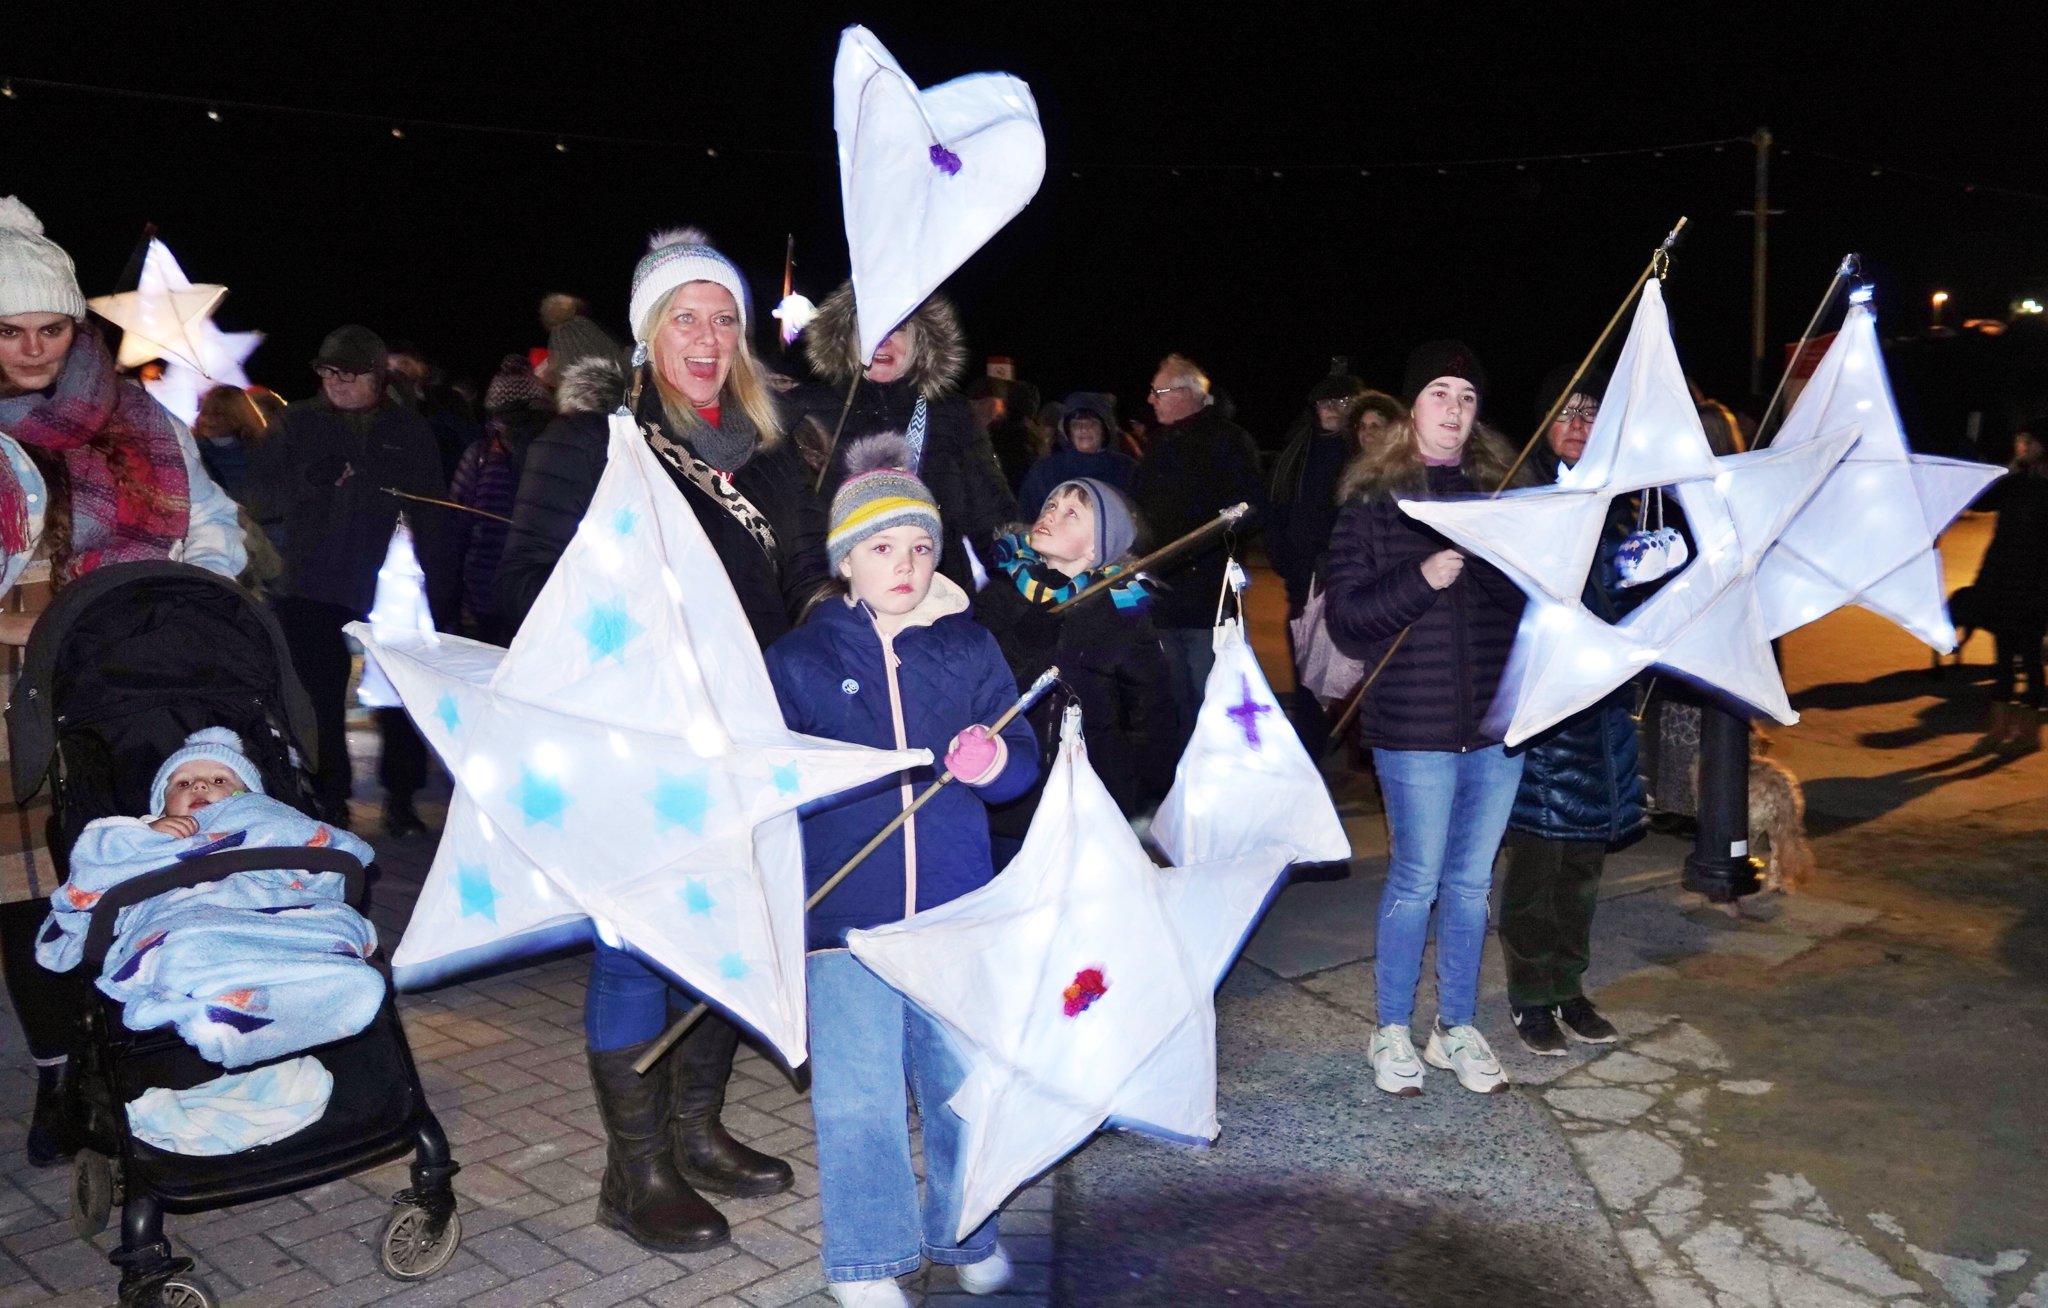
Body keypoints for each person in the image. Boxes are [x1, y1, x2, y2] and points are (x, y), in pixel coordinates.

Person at [497, 227, 819, 1253]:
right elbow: (519, 593)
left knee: (725, 931)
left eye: (723, 317)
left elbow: (800, 572)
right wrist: (641, 627)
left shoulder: (771, 451)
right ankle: (633, 1175)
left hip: (748, 732)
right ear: (645, 334)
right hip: (636, 735)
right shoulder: (589, 444)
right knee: (638, 946)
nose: (707, 335)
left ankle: (694, 1132)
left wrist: (839, 616)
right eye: (686, 315)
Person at [0, 195, 249, 1166]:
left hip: (115, 682)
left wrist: (194, 592)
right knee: (27, 899)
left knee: (124, 879)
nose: (32, 348)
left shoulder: (133, 418)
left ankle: (134, 1052)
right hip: (7, 691)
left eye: (50, 327)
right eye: (11, 330)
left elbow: (211, 528)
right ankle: (60, 1072)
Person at [764, 445, 1037, 1307]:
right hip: (845, 923)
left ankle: (963, 1233)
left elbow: (1020, 754)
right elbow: (768, 782)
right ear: (847, 560)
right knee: (859, 1101)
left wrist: (995, 758)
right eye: (883, 548)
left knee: (961, 1087)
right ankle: (869, 1260)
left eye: (920, 547)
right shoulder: (802, 658)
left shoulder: (969, 646)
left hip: (953, 915)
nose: (905, 565)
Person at [1324, 341, 1531, 1097]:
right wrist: (1421, 575)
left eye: (1467, 397)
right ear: (1412, 408)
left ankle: (1456, 1029)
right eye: (1439, 392)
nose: (1453, 407)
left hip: (1495, 726)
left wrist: (1497, 558)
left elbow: (1529, 609)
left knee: (1472, 884)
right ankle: (1390, 1029)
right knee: (1415, 881)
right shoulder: (1374, 504)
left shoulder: (1499, 495)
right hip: (1413, 726)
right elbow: (1348, 621)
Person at [1497, 366, 1641, 1055]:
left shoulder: (1623, 503)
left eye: (1590, 414)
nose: (1578, 427)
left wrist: (1651, 570)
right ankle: (1531, 996)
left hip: (1604, 710)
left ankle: (1568, 989)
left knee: (1582, 868)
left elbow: (1632, 605)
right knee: (1537, 866)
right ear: (1543, 428)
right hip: (1545, 711)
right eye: (1565, 414)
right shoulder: (1525, 503)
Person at [259, 325, 452, 839]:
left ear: (378, 375)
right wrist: (309, 480)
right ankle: (329, 796)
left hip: (388, 582)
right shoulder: (296, 422)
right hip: (310, 581)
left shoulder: (407, 428)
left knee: (397, 696)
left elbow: (433, 508)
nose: (338, 383)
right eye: (328, 372)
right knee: (316, 697)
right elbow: (257, 494)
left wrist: (434, 580)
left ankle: (404, 799)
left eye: (351, 373)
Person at [974, 476, 1173, 866]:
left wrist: (1143, 781)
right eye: (1050, 506)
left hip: (1090, 793)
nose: (1051, 515)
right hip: (1013, 796)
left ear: (1097, 546)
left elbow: (1150, 705)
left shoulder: (1121, 610)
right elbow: (978, 686)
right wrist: (1025, 637)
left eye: (1071, 514)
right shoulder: (999, 595)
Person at [794, 283, 1018, 596]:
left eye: (898, 327)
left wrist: (1026, 579)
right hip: (838, 607)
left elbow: (992, 520)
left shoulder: (952, 416)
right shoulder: (805, 410)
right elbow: (789, 528)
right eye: (870, 327)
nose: (883, 340)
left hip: (936, 605)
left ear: (919, 339)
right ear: (846, 337)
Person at [1130, 353, 1269, 752]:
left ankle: (1216, 770)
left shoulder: (1227, 440)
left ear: (1189, 393)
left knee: (1209, 694)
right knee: (1171, 698)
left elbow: (1251, 507)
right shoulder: (1160, 444)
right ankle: (1179, 773)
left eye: (1160, 392)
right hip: (1160, 596)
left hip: (1206, 597)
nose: (1152, 400)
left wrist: (1216, 533)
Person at [445, 357, 547, 645]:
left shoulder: (480, 454)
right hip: (538, 591)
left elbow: (457, 524)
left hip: (486, 590)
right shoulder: (556, 451)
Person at [1965, 428, 2048, 753]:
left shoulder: (2043, 489)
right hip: (2003, 581)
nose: (2020, 446)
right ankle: (2000, 727)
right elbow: (1983, 503)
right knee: (2002, 658)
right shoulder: (2011, 482)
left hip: (2034, 584)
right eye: (2018, 441)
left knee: (2028, 657)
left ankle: (2027, 731)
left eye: (2027, 442)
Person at [1016, 392, 1139, 517]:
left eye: (1091, 423)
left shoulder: (1127, 470)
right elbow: (1026, 516)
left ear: (1105, 430)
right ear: (1067, 431)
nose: (1083, 429)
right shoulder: (1045, 471)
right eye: (1076, 424)